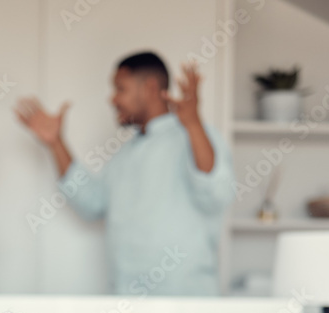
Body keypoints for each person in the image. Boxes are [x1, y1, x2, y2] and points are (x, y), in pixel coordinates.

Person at [16, 52, 234, 296]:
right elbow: (91, 203)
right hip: (128, 302)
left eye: (121, 89)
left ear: (150, 88)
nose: (113, 99)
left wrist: (193, 124)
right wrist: (56, 143)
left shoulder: (197, 136)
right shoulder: (124, 155)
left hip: (186, 301)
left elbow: (216, 192)